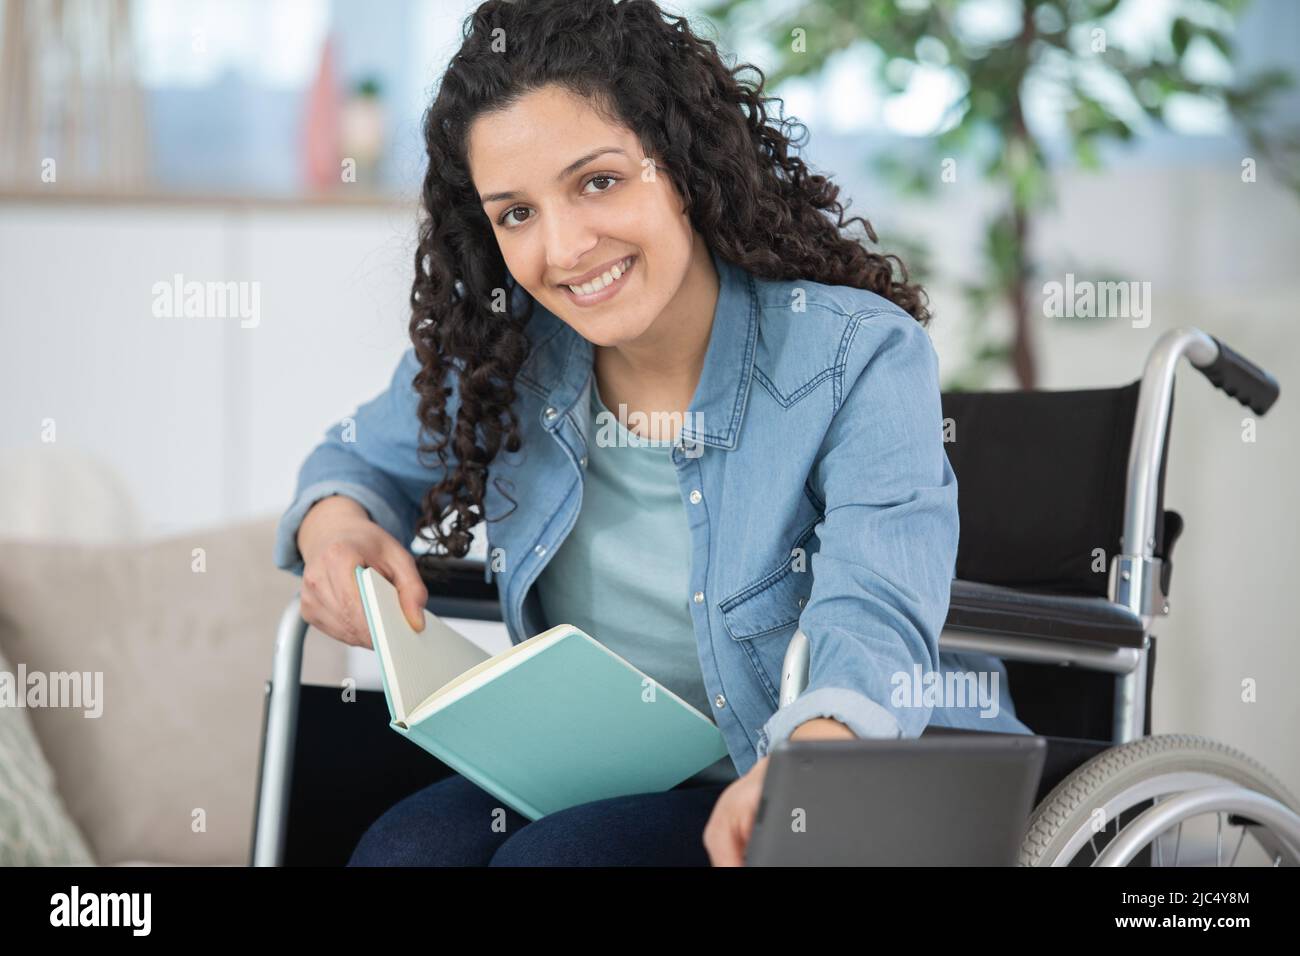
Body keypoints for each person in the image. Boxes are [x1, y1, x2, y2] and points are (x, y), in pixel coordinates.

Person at [273, 0, 1030, 867]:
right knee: (401, 854)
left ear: (678, 161)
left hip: (829, 770)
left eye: (597, 181)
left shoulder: (856, 354)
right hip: (606, 771)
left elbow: (874, 607)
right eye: (515, 213)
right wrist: (336, 531)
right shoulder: (505, 347)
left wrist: (815, 755)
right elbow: (352, 458)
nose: (564, 249)